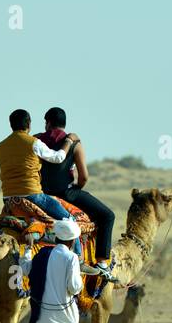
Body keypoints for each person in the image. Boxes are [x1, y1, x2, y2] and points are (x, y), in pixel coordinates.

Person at [37, 106, 117, 281]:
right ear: (63, 124)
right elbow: (84, 176)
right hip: (66, 193)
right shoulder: (74, 143)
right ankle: (102, 263)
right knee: (107, 216)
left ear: (48, 123)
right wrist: (76, 188)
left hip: (41, 194)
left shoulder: (36, 141)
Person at [0, 109, 79, 250]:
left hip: (8, 198)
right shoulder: (34, 143)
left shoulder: (0, 146)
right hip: (33, 196)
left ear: (11, 125)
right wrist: (69, 141)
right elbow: (58, 157)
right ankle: (78, 257)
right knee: (69, 221)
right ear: (28, 124)